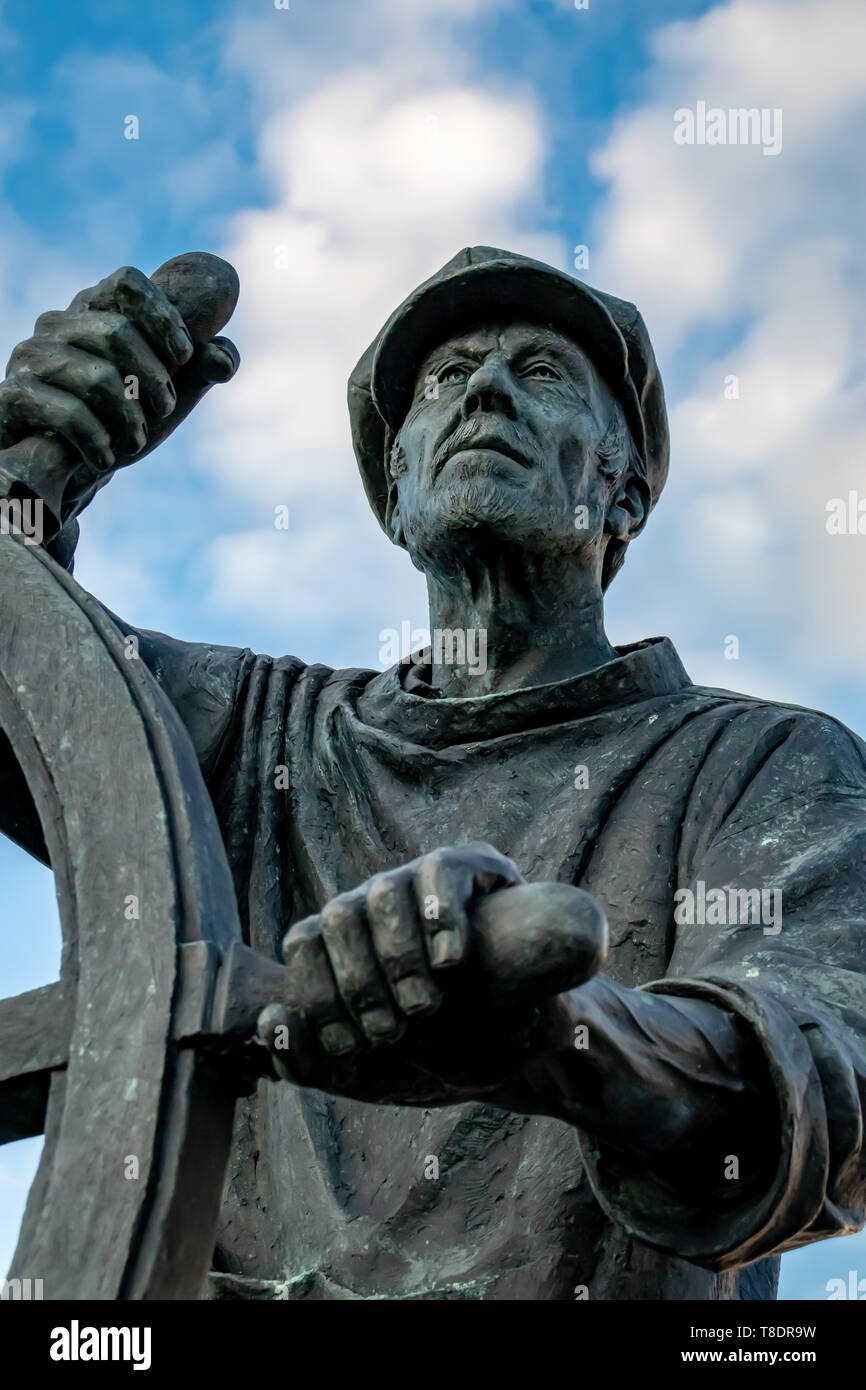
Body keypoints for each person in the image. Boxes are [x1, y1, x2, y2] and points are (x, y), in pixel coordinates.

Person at [1, 246, 865, 1301]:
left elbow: (830, 1063)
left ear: (623, 492)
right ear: (398, 495)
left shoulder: (759, 764)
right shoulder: (255, 733)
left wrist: (560, 1037)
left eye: (540, 373)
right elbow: (35, 708)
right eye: (445, 381)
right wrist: (28, 475)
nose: (485, 390)